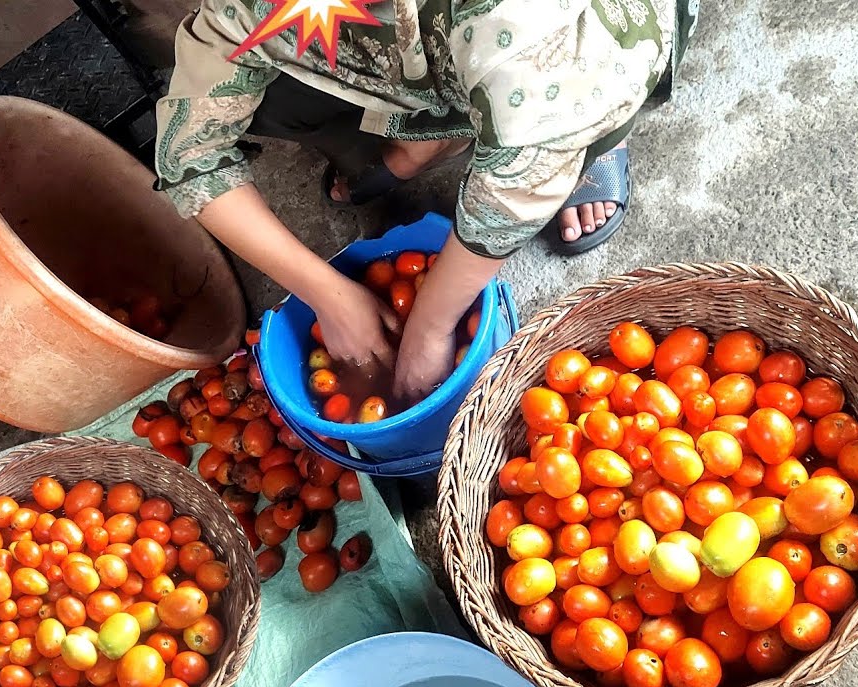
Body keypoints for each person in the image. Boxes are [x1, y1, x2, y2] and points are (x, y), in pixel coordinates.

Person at [155, 0, 697, 401]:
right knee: (264, 90)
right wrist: (328, 294)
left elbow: (513, 193)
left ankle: (600, 138)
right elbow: (188, 150)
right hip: (439, 46)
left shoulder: (526, 27)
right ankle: (431, 129)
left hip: (586, 33)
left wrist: (431, 326)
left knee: (567, 113)